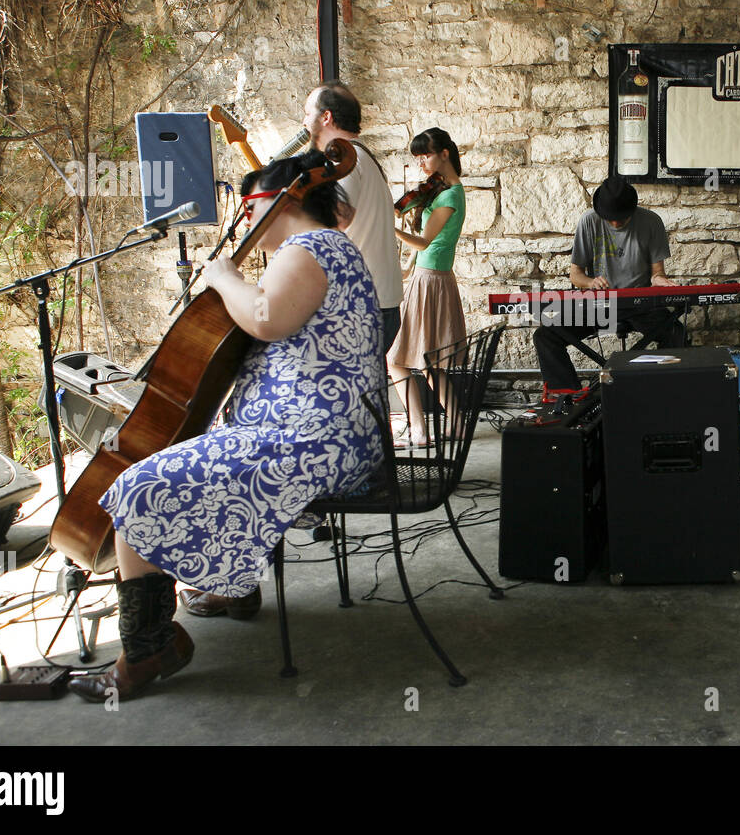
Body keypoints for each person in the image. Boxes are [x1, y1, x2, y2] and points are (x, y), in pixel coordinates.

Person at [68, 151, 384, 702]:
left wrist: (225, 276)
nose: (243, 218)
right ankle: (232, 589)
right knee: (194, 464)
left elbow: (266, 317)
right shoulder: (332, 249)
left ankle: (148, 651)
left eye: (248, 205)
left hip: (313, 443)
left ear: (276, 201)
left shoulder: (307, 248)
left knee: (140, 488)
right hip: (335, 437)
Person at [533, 176, 684, 392]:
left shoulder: (651, 222)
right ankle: (569, 399)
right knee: (546, 336)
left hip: (639, 304)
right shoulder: (589, 221)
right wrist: (591, 282)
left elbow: (657, 273)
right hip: (600, 305)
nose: (615, 223)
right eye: (609, 218)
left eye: (621, 218)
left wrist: (659, 279)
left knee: (675, 333)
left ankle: (662, 396)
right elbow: (576, 275)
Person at [303, 81, 405, 354]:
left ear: (326, 117)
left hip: (361, 305)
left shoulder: (343, 159)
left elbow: (337, 218)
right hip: (377, 301)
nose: (303, 121)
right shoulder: (363, 157)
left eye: (307, 112)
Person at [387, 127, 467, 447]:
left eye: (426, 155)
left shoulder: (449, 195)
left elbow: (422, 242)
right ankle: (456, 424)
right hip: (434, 279)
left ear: (444, 154)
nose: (421, 162)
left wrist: (388, 225)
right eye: (418, 157)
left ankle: (419, 429)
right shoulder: (443, 189)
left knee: (396, 359)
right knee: (430, 364)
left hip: (430, 280)